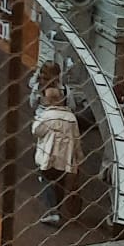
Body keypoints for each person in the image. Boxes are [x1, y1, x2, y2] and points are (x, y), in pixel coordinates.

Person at [31, 83, 82, 226]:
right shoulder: (71, 118)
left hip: (49, 155)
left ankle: (53, 212)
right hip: (66, 158)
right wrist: (79, 157)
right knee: (60, 183)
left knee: (46, 179)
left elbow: (36, 131)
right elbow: (77, 139)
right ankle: (57, 211)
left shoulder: (47, 116)